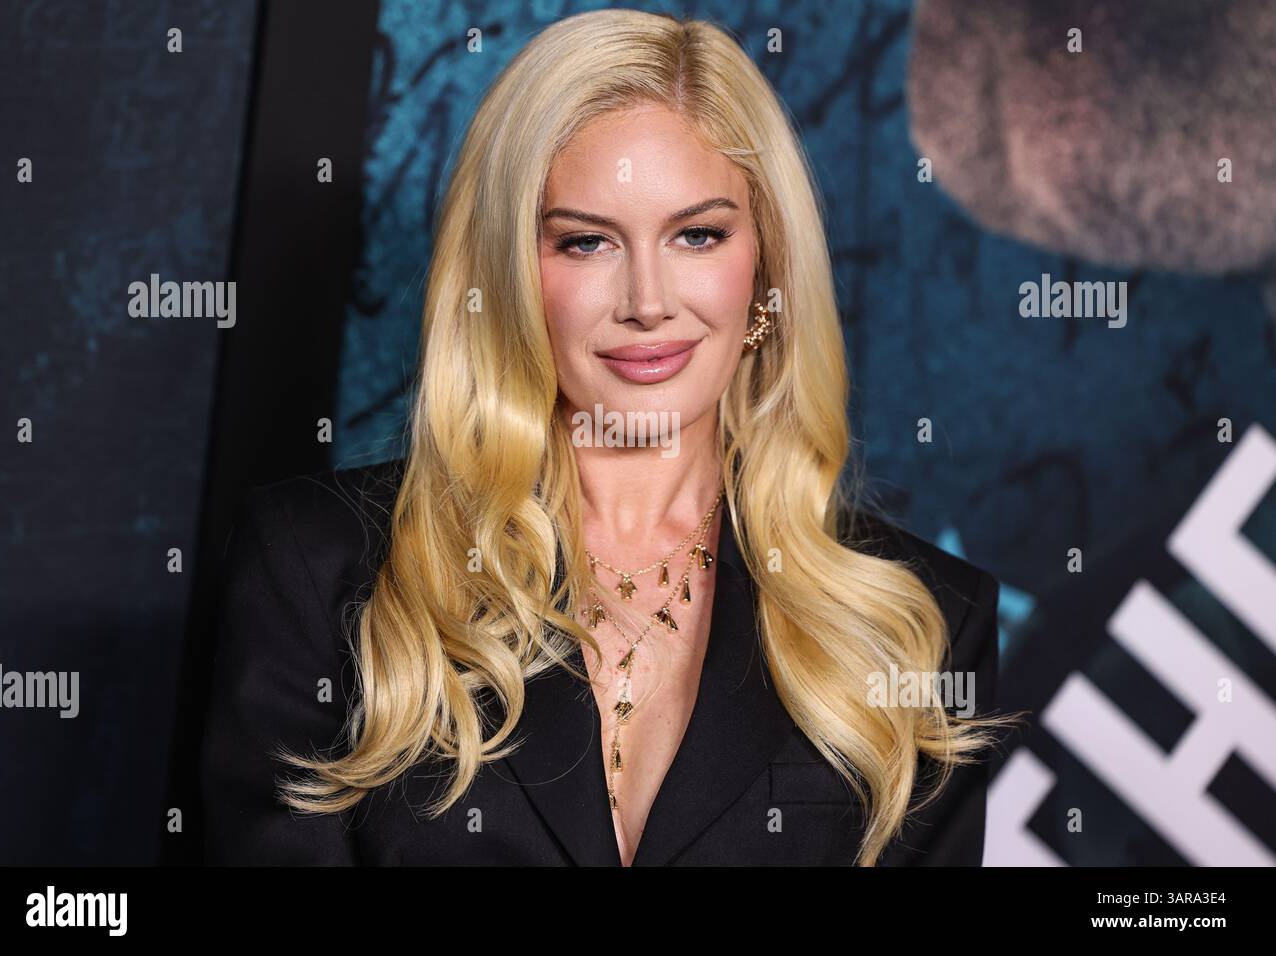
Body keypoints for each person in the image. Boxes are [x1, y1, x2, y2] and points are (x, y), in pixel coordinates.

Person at [201, 7, 1019, 867]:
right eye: (587, 242)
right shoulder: (317, 569)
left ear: (766, 267)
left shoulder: (919, 624)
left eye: (698, 235)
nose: (648, 302)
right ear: (508, 273)